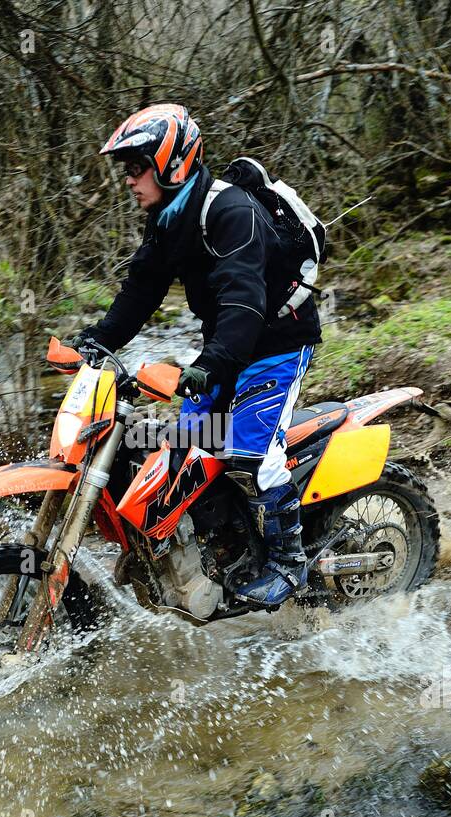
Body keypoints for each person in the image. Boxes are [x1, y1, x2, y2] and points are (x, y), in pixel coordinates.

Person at [67, 104, 322, 608]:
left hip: (275, 346)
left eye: (136, 168)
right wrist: (97, 340)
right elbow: (142, 288)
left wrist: (210, 365)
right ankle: (223, 545)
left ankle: (289, 566)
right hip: (226, 348)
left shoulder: (231, 213)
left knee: (252, 450)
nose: (129, 181)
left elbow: (244, 300)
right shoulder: (167, 218)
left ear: (171, 163)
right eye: (127, 170)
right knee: (188, 446)